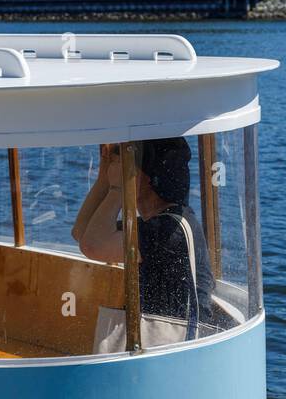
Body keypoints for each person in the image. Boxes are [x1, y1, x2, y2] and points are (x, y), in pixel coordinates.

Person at [72, 138, 215, 344]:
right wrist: (104, 177)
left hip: (179, 353)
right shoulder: (161, 223)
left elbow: (92, 246)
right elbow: (82, 232)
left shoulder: (169, 232)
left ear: (141, 177)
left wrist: (119, 188)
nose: (115, 170)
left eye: (122, 166)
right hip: (164, 346)